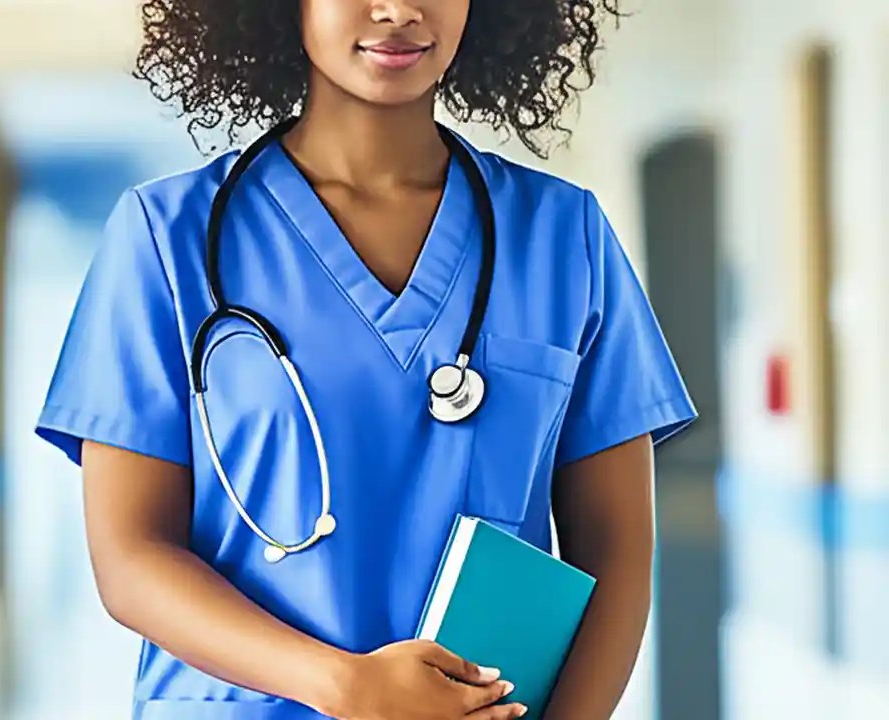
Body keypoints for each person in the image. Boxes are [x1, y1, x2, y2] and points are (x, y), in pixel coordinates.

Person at [35, 0, 697, 718]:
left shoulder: (564, 237)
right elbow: (130, 557)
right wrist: (347, 687)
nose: (398, 10)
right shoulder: (167, 238)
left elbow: (616, 552)